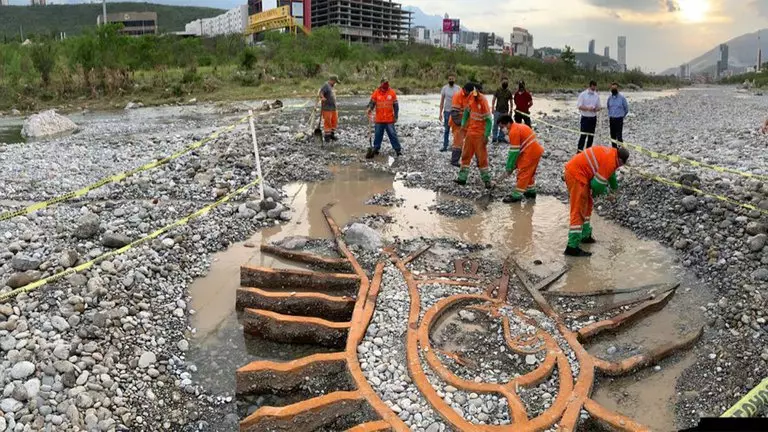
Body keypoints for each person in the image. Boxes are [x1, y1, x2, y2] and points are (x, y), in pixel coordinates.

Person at [563, 146, 630, 257]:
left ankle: (585, 236)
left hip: (579, 172)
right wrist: (606, 195)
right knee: (579, 209)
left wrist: (614, 189)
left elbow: (611, 174)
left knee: (588, 205)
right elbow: (596, 185)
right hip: (576, 175)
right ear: (621, 161)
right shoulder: (611, 161)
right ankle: (572, 247)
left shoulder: (612, 155)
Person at [496, 115, 544, 203]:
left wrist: (509, 167)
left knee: (523, 173)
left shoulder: (513, 132)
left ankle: (517, 195)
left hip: (530, 153)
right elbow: (518, 149)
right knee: (529, 173)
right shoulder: (519, 126)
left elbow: (514, 152)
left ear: (508, 123)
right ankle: (530, 191)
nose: (502, 130)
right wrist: (514, 164)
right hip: (534, 151)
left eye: (502, 127)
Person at [456, 84, 493, 189]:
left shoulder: (483, 101)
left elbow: (489, 121)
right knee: (466, 155)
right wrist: (463, 124)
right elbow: (467, 112)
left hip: (480, 135)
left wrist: (486, 135)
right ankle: (462, 178)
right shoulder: (471, 96)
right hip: (470, 132)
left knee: (482, 158)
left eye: (476, 95)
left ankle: (486, 180)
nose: (475, 97)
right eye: (474, 95)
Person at [366, 77, 402, 158]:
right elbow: (372, 102)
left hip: (389, 119)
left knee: (392, 134)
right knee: (378, 134)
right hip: (379, 119)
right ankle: (376, 148)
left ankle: (398, 150)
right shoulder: (376, 92)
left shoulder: (392, 92)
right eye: (384, 83)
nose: (386, 85)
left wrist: (396, 116)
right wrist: (369, 109)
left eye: (387, 83)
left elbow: (396, 105)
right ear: (381, 83)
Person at [449, 83, 474, 167]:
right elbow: (454, 113)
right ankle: (454, 161)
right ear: (465, 90)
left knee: (467, 141)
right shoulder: (458, 96)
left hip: (465, 123)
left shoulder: (469, 95)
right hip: (457, 123)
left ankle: (464, 159)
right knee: (458, 142)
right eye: (469, 92)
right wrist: (460, 124)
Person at [576, 80, 601, 153]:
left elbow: (599, 107)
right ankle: (579, 151)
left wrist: (596, 109)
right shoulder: (583, 95)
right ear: (590, 86)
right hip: (585, 117)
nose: (594, 89)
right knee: (583, 135)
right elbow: (579, 106)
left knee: (591, 136)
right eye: (593, 87)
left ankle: (588, 151)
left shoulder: (596, 95)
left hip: (593, 118)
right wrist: (587, 108)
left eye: (595, 88)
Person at [439, 74, 459, 152]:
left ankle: (455, 146)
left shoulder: (458, 88)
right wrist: (440, 113)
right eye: (450, 79)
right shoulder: (444, 88)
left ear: (455, 79)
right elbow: (442, 101)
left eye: (452, 79)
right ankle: (445, 146)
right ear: (448, 80)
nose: (451, 80)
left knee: (456, 130)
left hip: (456, 111)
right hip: (447, 111)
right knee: (447, 129)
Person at [606, 82, 629, 147]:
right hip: (611, 119)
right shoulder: (609, 98)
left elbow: (626, 109)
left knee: (619, 136)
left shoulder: (622, 98)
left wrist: (622, 116)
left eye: (615, 88)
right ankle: (614, 151)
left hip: (619, 119)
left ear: (617, 88)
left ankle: (621, 151)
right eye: (612, 88)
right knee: (612, 136)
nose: (613, 89)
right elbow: (608, 107)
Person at [491, 77, 513, 143]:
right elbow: (494, 99)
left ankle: (501, 137)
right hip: (497, 110)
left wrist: (511, 110)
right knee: (495, 124)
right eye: (504, 82)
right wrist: (492, 108)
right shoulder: (498, 90)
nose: (505, 83)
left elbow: (511, 102)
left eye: (506, 82)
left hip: (505, 111)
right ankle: (494, 137)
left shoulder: (509, 92)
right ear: (501, 82)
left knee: (504, 125)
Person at [319, 75, 339, 142]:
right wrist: (322, 97)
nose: (335, 83)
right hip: (327, 108)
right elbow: (321, 93)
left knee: (334, 121)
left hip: (333, 107)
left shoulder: (332, 87)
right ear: (332, 80)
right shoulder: (326, 85)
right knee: (327, 121)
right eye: (335, 82)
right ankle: (327, 136)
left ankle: (332, 134)